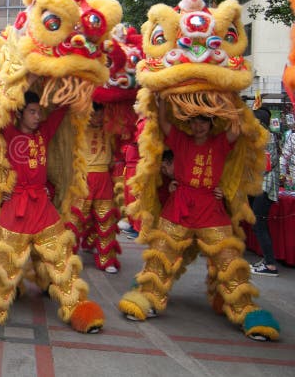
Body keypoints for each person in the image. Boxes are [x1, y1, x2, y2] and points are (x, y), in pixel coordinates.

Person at [119, 97, 279, 341]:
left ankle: (244, 309)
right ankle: (148, 296)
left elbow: (236, 128)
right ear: (189, 123)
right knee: (160, 255)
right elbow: (162, 122)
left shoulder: (220, 142)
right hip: (179, 205)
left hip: (211, 209)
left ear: (211, 123)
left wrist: (227, 96)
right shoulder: (180, 139)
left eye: (204, 121)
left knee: (229, 260)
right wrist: (162, 96)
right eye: (195, 121)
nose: (199, 126)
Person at [0, 91, 105, 333]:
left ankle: (77, 306)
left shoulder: (43, 134)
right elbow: (2, 111)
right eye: (32, 111)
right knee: (3, 260)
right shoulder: (9, 134)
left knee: (62, 257)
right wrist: (25, 75)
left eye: (39, 111)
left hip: (42, 206)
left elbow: (59, 112)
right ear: (20, 113)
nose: (38, 116)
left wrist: (68, 84)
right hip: (16, 206)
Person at [70, 103, 121, 273]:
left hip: (104, 177)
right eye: (93, 114)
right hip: (84, 178)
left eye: (100, 114)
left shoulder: (111, 129)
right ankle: (68, 254)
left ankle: (107, 259)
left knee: (105, 218)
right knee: (76, 218)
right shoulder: (79, 128)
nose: (96, 118)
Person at [250, 108, 279, 276]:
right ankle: (267, 260)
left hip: (265, 187)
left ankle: (270, 265)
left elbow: (267, 164)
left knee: (259, 225)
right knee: (259, 224)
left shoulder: (266, 138)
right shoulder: (263, 137)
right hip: (261, 186)